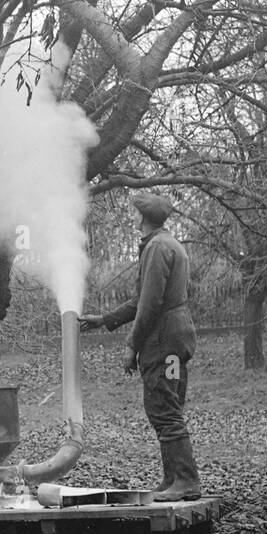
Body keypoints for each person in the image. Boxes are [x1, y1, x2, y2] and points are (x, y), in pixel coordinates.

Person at [79, 193, 202, 501]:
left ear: (143, 218)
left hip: (163, 338)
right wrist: (106, 319)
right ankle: (173, 479)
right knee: (170, 406)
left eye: (135, 214)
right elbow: (142, 299)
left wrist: (132, 345)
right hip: (178, 338)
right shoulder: (170, 244)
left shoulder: (157, 248)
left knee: (163, 409)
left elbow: (148, 305)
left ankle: (185, 481)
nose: (133, 218)